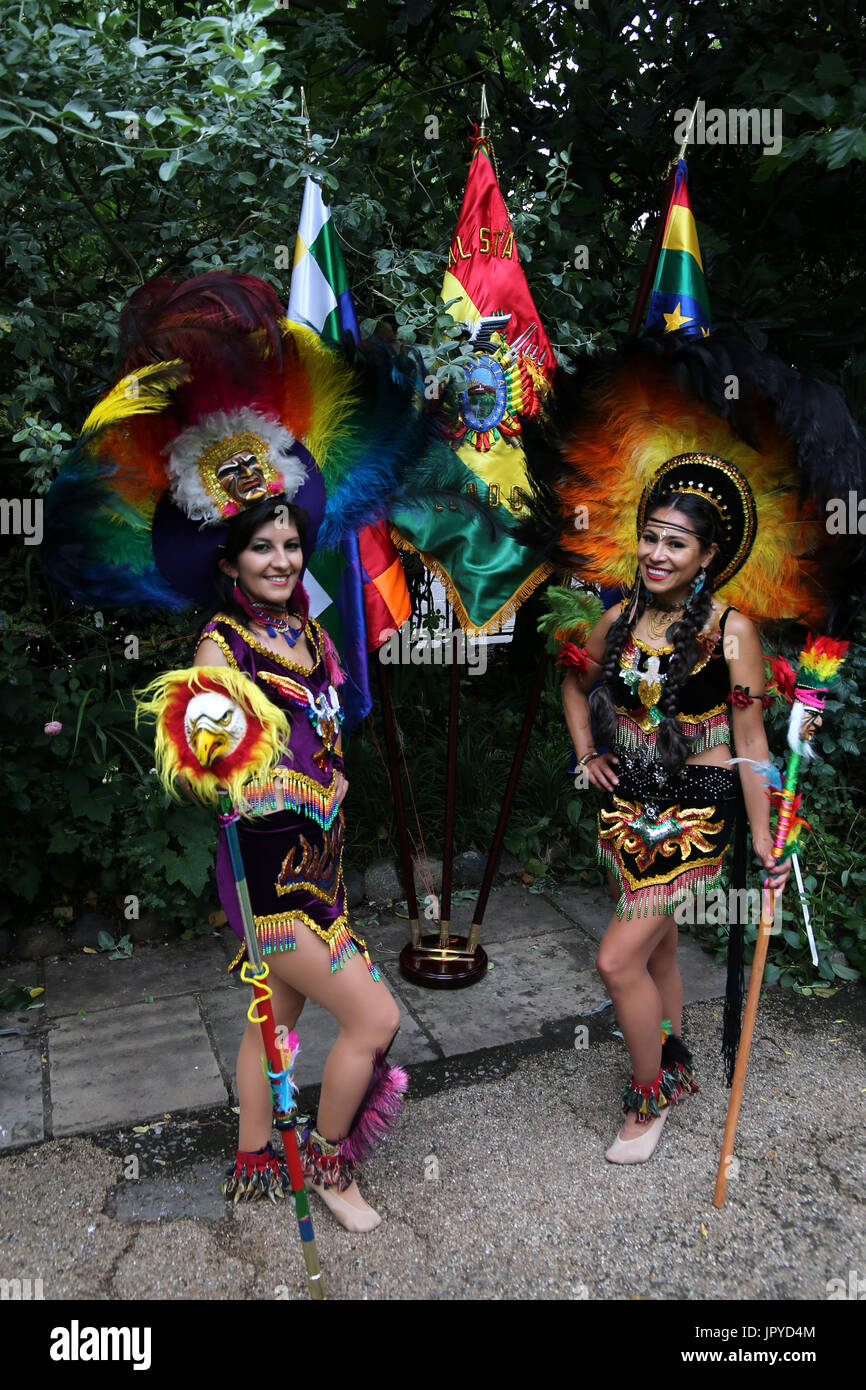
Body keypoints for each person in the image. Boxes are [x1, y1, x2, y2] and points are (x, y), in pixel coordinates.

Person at [561, 466, 791, 1163]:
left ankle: (647, 1094)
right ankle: (675, 1064)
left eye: (677, 544)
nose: (658, 554)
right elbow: (574, 681)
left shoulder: (733, 634)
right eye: (650, 538)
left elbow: (751, 743)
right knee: (655, 950)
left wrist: (763, 835)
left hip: (695, 816)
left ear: (707, 556)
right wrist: (585, 755)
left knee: (615, 958)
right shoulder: (621, 618)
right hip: (625, 806)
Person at [194, 494, 404, 1231]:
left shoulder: (309, 633)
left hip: (321, 859)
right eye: (261, 548)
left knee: (272, 1021)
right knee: (374, 1016)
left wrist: (335, 772)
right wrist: (231, 769)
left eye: (289, 544)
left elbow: (329, 725)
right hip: (270, 872)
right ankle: (328, 1164)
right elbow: (215, 763)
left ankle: (258, 1159)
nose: (281, 560)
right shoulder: (222, 647)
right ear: (230, 563)